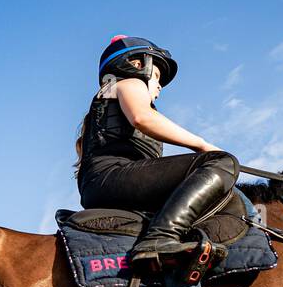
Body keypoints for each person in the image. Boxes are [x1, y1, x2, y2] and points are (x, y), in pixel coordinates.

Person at [75, 34, 244, 267]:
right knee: (223, 162)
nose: (159, 87)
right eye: (156, 77)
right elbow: (142, 117)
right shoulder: (127, 82)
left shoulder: (109, 102)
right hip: (111, 177)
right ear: (136, 65)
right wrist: (203, 146)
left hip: (106, 185)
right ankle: (160, 238)